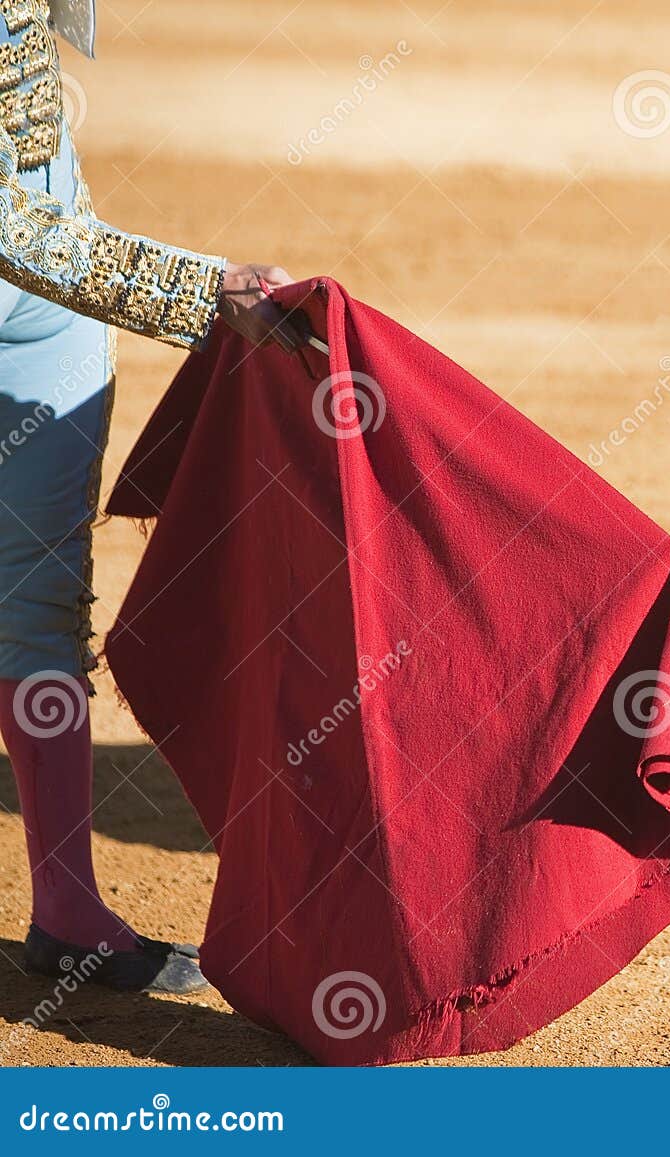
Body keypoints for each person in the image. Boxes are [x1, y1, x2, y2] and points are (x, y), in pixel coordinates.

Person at [1, 0, 306, 994]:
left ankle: (67, 906)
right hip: (32, 242)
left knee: (38, 594)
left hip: (45, 243)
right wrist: (198, 289)